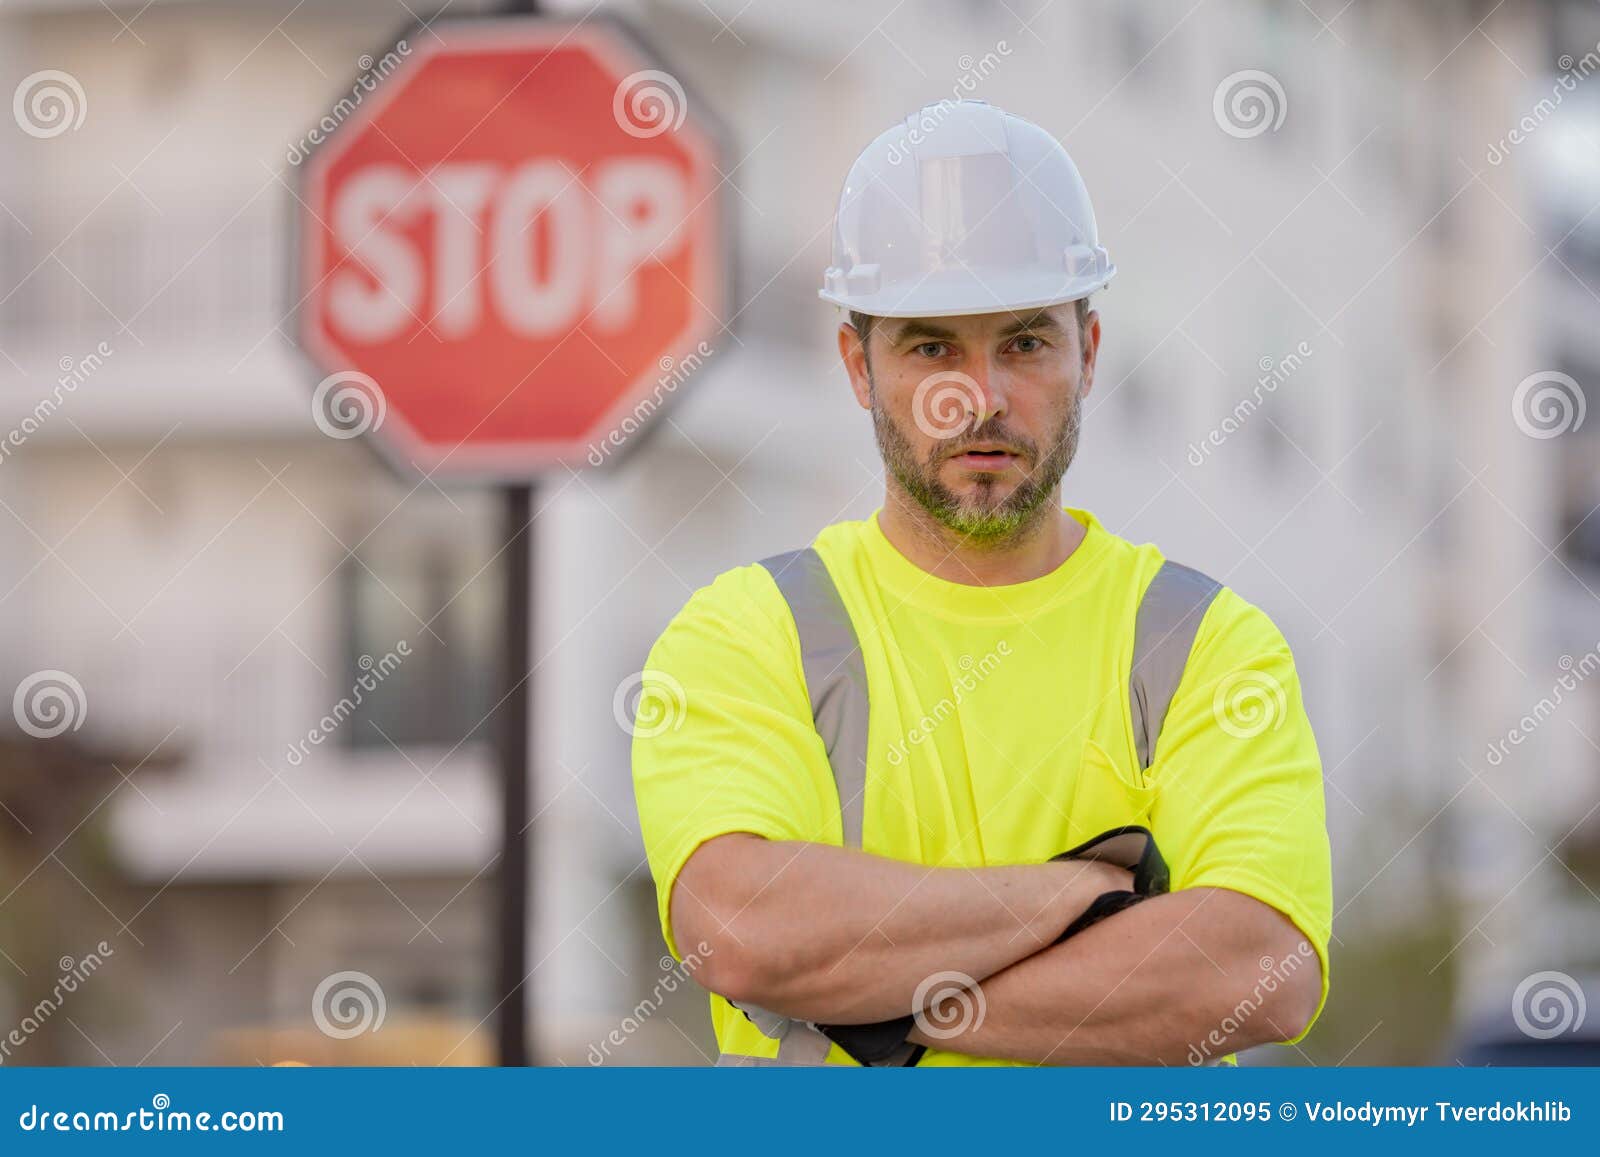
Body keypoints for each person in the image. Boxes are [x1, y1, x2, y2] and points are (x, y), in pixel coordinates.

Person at [630, 100, 1331, 1066]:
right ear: (857, 367)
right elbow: (739, 930)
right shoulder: (750, 634)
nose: (983, 396)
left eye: (1026, 342)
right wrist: (1076, 898)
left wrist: (869, 999)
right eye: (931, 347)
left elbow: (1258, 970)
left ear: (1088, 354)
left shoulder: (1203, 643)